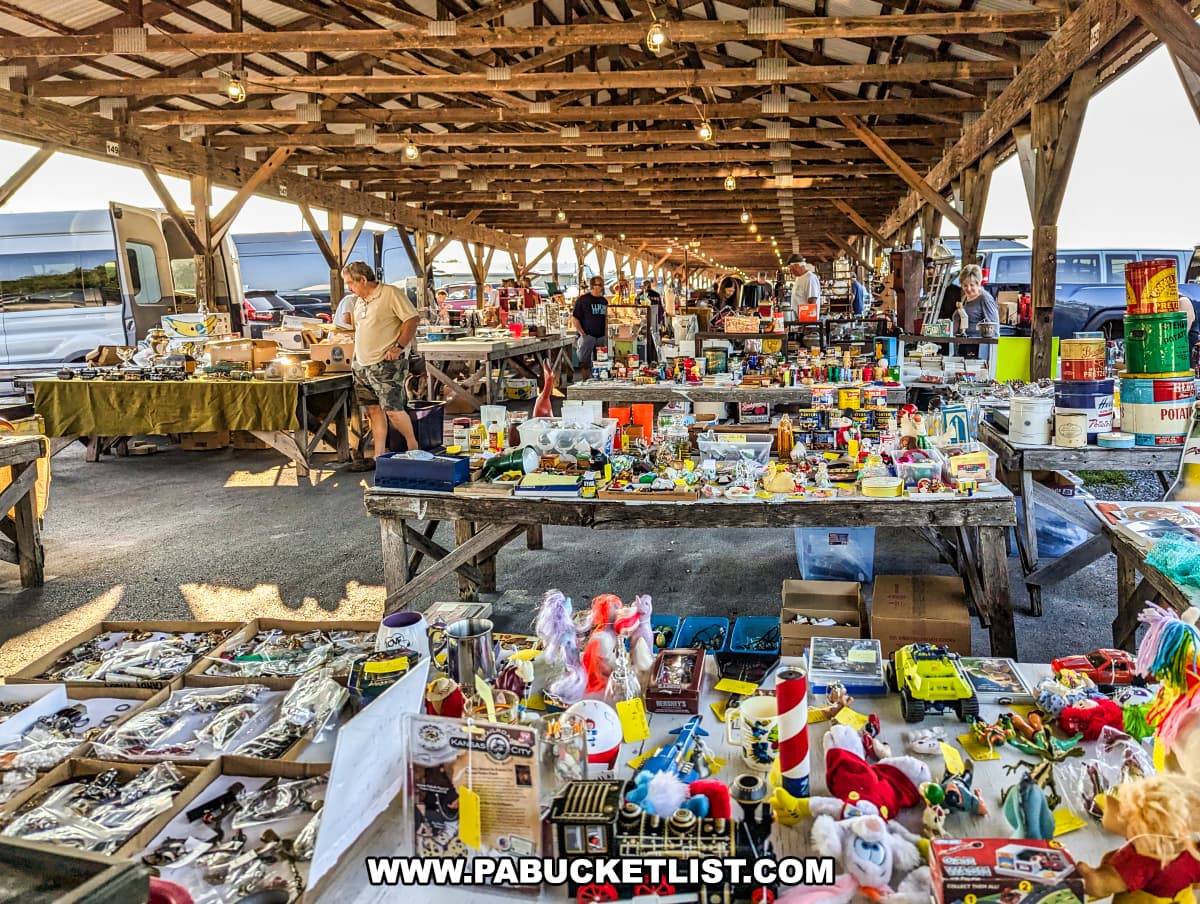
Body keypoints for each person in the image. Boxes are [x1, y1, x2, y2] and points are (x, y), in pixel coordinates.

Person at [342, 260, 420, 471]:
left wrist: (399, 346)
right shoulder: (359, 301)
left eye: (350, 283)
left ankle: (414, 448)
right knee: (373, 409)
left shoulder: (390, 293)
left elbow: (412, 319)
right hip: (362, 363)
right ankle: (379, 456)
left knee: (393, 410)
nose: (349, 288)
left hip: (385, 364)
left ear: (363, 279)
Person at [572, 276, 608, 378]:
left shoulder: (604, 301)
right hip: (587, 336)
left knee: (601, 362)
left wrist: (606, 335)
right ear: (592, 286)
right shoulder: (583, 300)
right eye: (599, 285)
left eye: (602, 285)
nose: (601, 287)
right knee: (585, 362)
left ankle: (599, 381)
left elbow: (606, 318)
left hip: (601, 337)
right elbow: (575, 318)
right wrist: (582, 333)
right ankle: (585, 381)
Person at [958, 264, 998, 337]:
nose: (968, 289)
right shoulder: (964, 298)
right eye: (965, 285)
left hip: (978, 343)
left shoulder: (985, 299)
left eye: (972, 285)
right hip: (964, 341)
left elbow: (994, 328)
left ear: (978, 284)